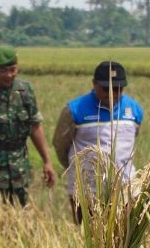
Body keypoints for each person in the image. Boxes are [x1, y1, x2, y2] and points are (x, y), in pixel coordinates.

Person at [52, 61, 143, 223]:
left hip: (125, 190)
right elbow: (60, 145)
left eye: (118, 89)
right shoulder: (74, 110)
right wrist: (74, 169)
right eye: (106, 89)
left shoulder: (134, 109)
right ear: (94, 84)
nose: (112, 94)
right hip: (86, 191)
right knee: (88, 240)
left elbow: (133, 140)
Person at [0, 46, 56, 206]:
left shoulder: (25, 91)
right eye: (3, 71)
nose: (9, 75)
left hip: (19, 168)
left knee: (20, 215)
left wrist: (47, 161)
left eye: (13, 70)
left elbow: (35, 126)